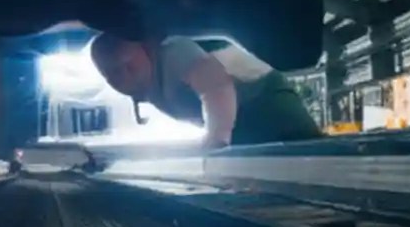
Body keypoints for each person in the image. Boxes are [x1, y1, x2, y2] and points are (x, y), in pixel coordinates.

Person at [88, 32, 322, 148]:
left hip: (269, 105)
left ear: (144, 49)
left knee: (310, 162)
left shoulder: (172, 50)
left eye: (127, 66)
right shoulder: (150, 85)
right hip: (241, 125)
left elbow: (216, 86)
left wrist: (216, 138)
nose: (122, 78)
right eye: (112, 76)